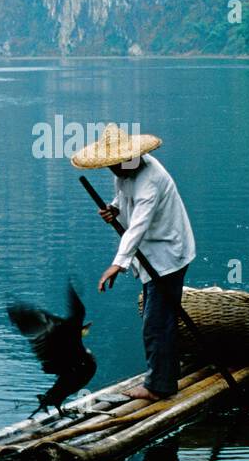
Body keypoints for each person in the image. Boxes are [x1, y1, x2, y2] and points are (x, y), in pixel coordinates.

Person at [71, 123, 196, 401]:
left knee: (156, 323)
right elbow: (125, 196)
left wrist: (119, 263)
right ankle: (166, 372)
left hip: (167, 255)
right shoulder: (125, 169)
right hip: (152, 254)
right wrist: (114, 208)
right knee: (159, 319)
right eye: (110, 165)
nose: (113, 170)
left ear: (131, 155)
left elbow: (138, 224)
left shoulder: (150, 179)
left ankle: (159, 387)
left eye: (116, 163)